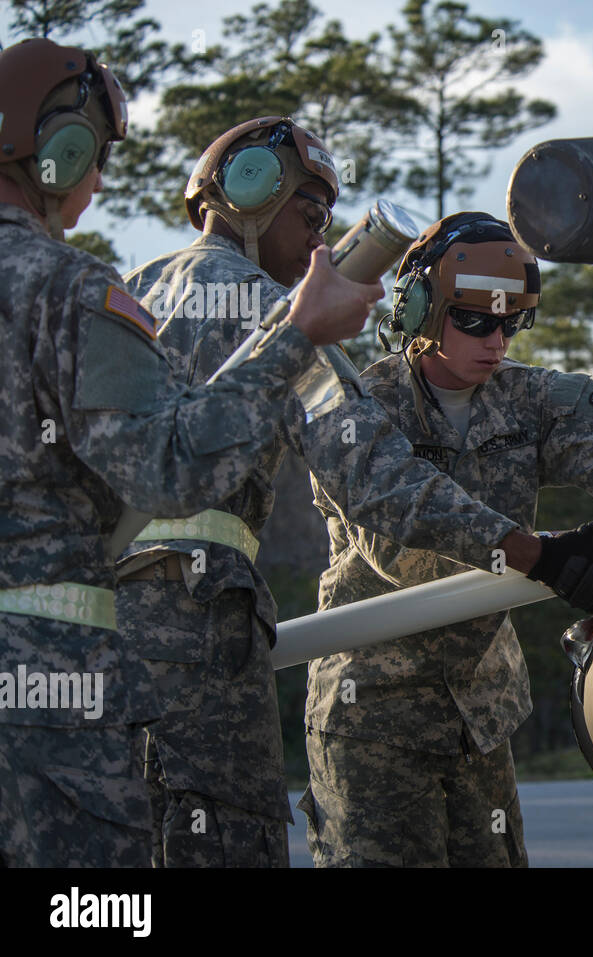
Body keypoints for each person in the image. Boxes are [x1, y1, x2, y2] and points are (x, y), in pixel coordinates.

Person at [118, 127, 593, 866]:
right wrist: (537, 553)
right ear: (254, 191)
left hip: (95, 633)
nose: (320, 242)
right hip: (202, 632)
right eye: (313, 214)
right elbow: (380, 483)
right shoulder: (283, 320)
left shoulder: (124, 298)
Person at [0, 40, 380, 867]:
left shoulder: (134, 285)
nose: (96, 182)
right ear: (54, 150)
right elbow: (179, 469)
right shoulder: (74, 289)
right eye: (93, 159)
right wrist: (301, 335)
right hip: (102, 671)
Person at [300, 212, 593, 867]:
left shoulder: (532, 400)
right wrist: (547, 555)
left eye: (511, 320)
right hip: (372, 720)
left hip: (481, 717)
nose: (496, 339)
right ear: (419, 308)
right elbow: (403, 546)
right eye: (474, 318)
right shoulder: (359, 405)